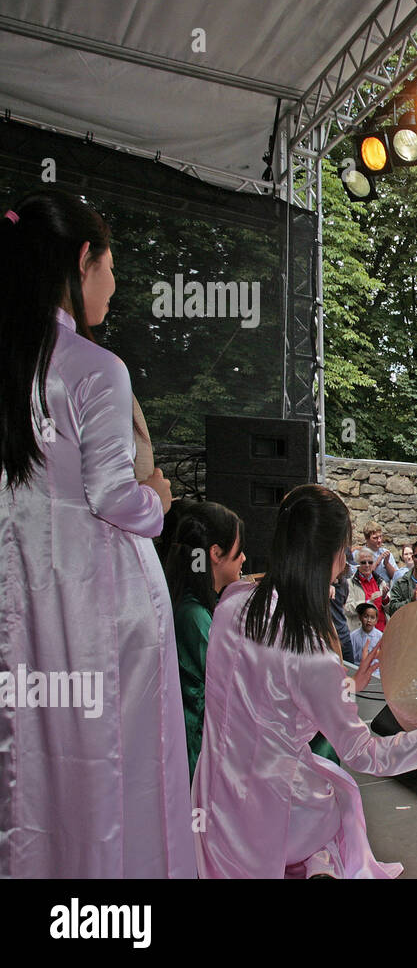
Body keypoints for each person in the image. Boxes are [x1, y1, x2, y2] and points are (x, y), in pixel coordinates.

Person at [0, 189, 197, 877]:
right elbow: (114, 498)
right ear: (84, 259)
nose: (114, 288)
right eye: (112, 268)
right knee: (119, 772)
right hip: (101, 610)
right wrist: (159, 498)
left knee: (29, 765)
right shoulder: (94, 369)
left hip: (19, 605)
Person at [193, 485, 417, 878]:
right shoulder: (309, 650)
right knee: (337, 807)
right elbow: (364, 754)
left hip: (213, 793)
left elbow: (267, 697)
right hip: (269, 814)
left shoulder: (233, 603)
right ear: (337, 554)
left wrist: (347, 684)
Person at [162, 500, 246, 779]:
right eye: (238, 550)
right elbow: (234, 687)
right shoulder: (193, 617)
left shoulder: (190, 608)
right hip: (196, 759)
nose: (244, 558)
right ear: (216, 553)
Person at [349, 603, 383, 681]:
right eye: (365, 616)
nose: (369, 620)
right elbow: (352, 657)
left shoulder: (380, 637)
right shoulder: (353, 636)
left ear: (376, 620)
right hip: (357, 672)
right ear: (360, 617)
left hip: (375, 674)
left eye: (372, 618)